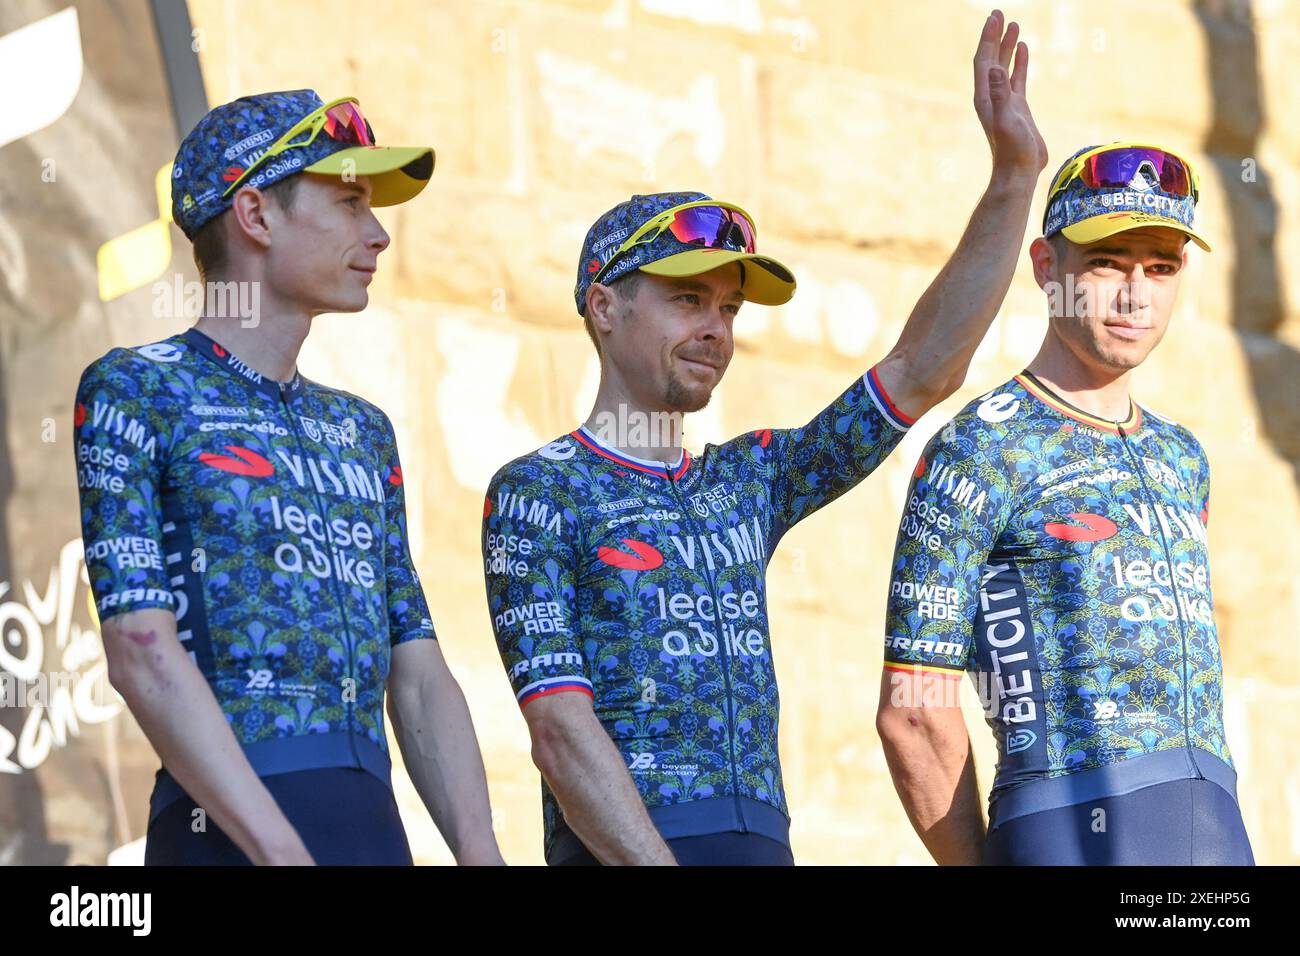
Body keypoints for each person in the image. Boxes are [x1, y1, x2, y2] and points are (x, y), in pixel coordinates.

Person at [481, 11, 1048, 865]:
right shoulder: (537, 490)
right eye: (687, 299)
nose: (715, 327)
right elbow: (559, 730)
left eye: (729, 307)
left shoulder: (748, 480)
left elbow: (922, 370)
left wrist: (1013, 179)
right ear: (604, 307)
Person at [75, 89, 502, 865]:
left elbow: (417, 670)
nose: (378, 235)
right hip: (224, 839)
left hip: (374, 835)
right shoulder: (136, 388)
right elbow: (139, 649)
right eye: (349, 203)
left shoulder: (363, 430)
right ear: (256, 215)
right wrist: (279, 850)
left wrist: (482, 855)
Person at [878, 141, 1255, 865]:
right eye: (1108, 262)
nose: (1136, 294)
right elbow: (914, 710)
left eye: (1161, 266)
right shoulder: (980, 446)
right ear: (1047, 267)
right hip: (1067, 828)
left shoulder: (1183, 457)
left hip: (1217, 831)